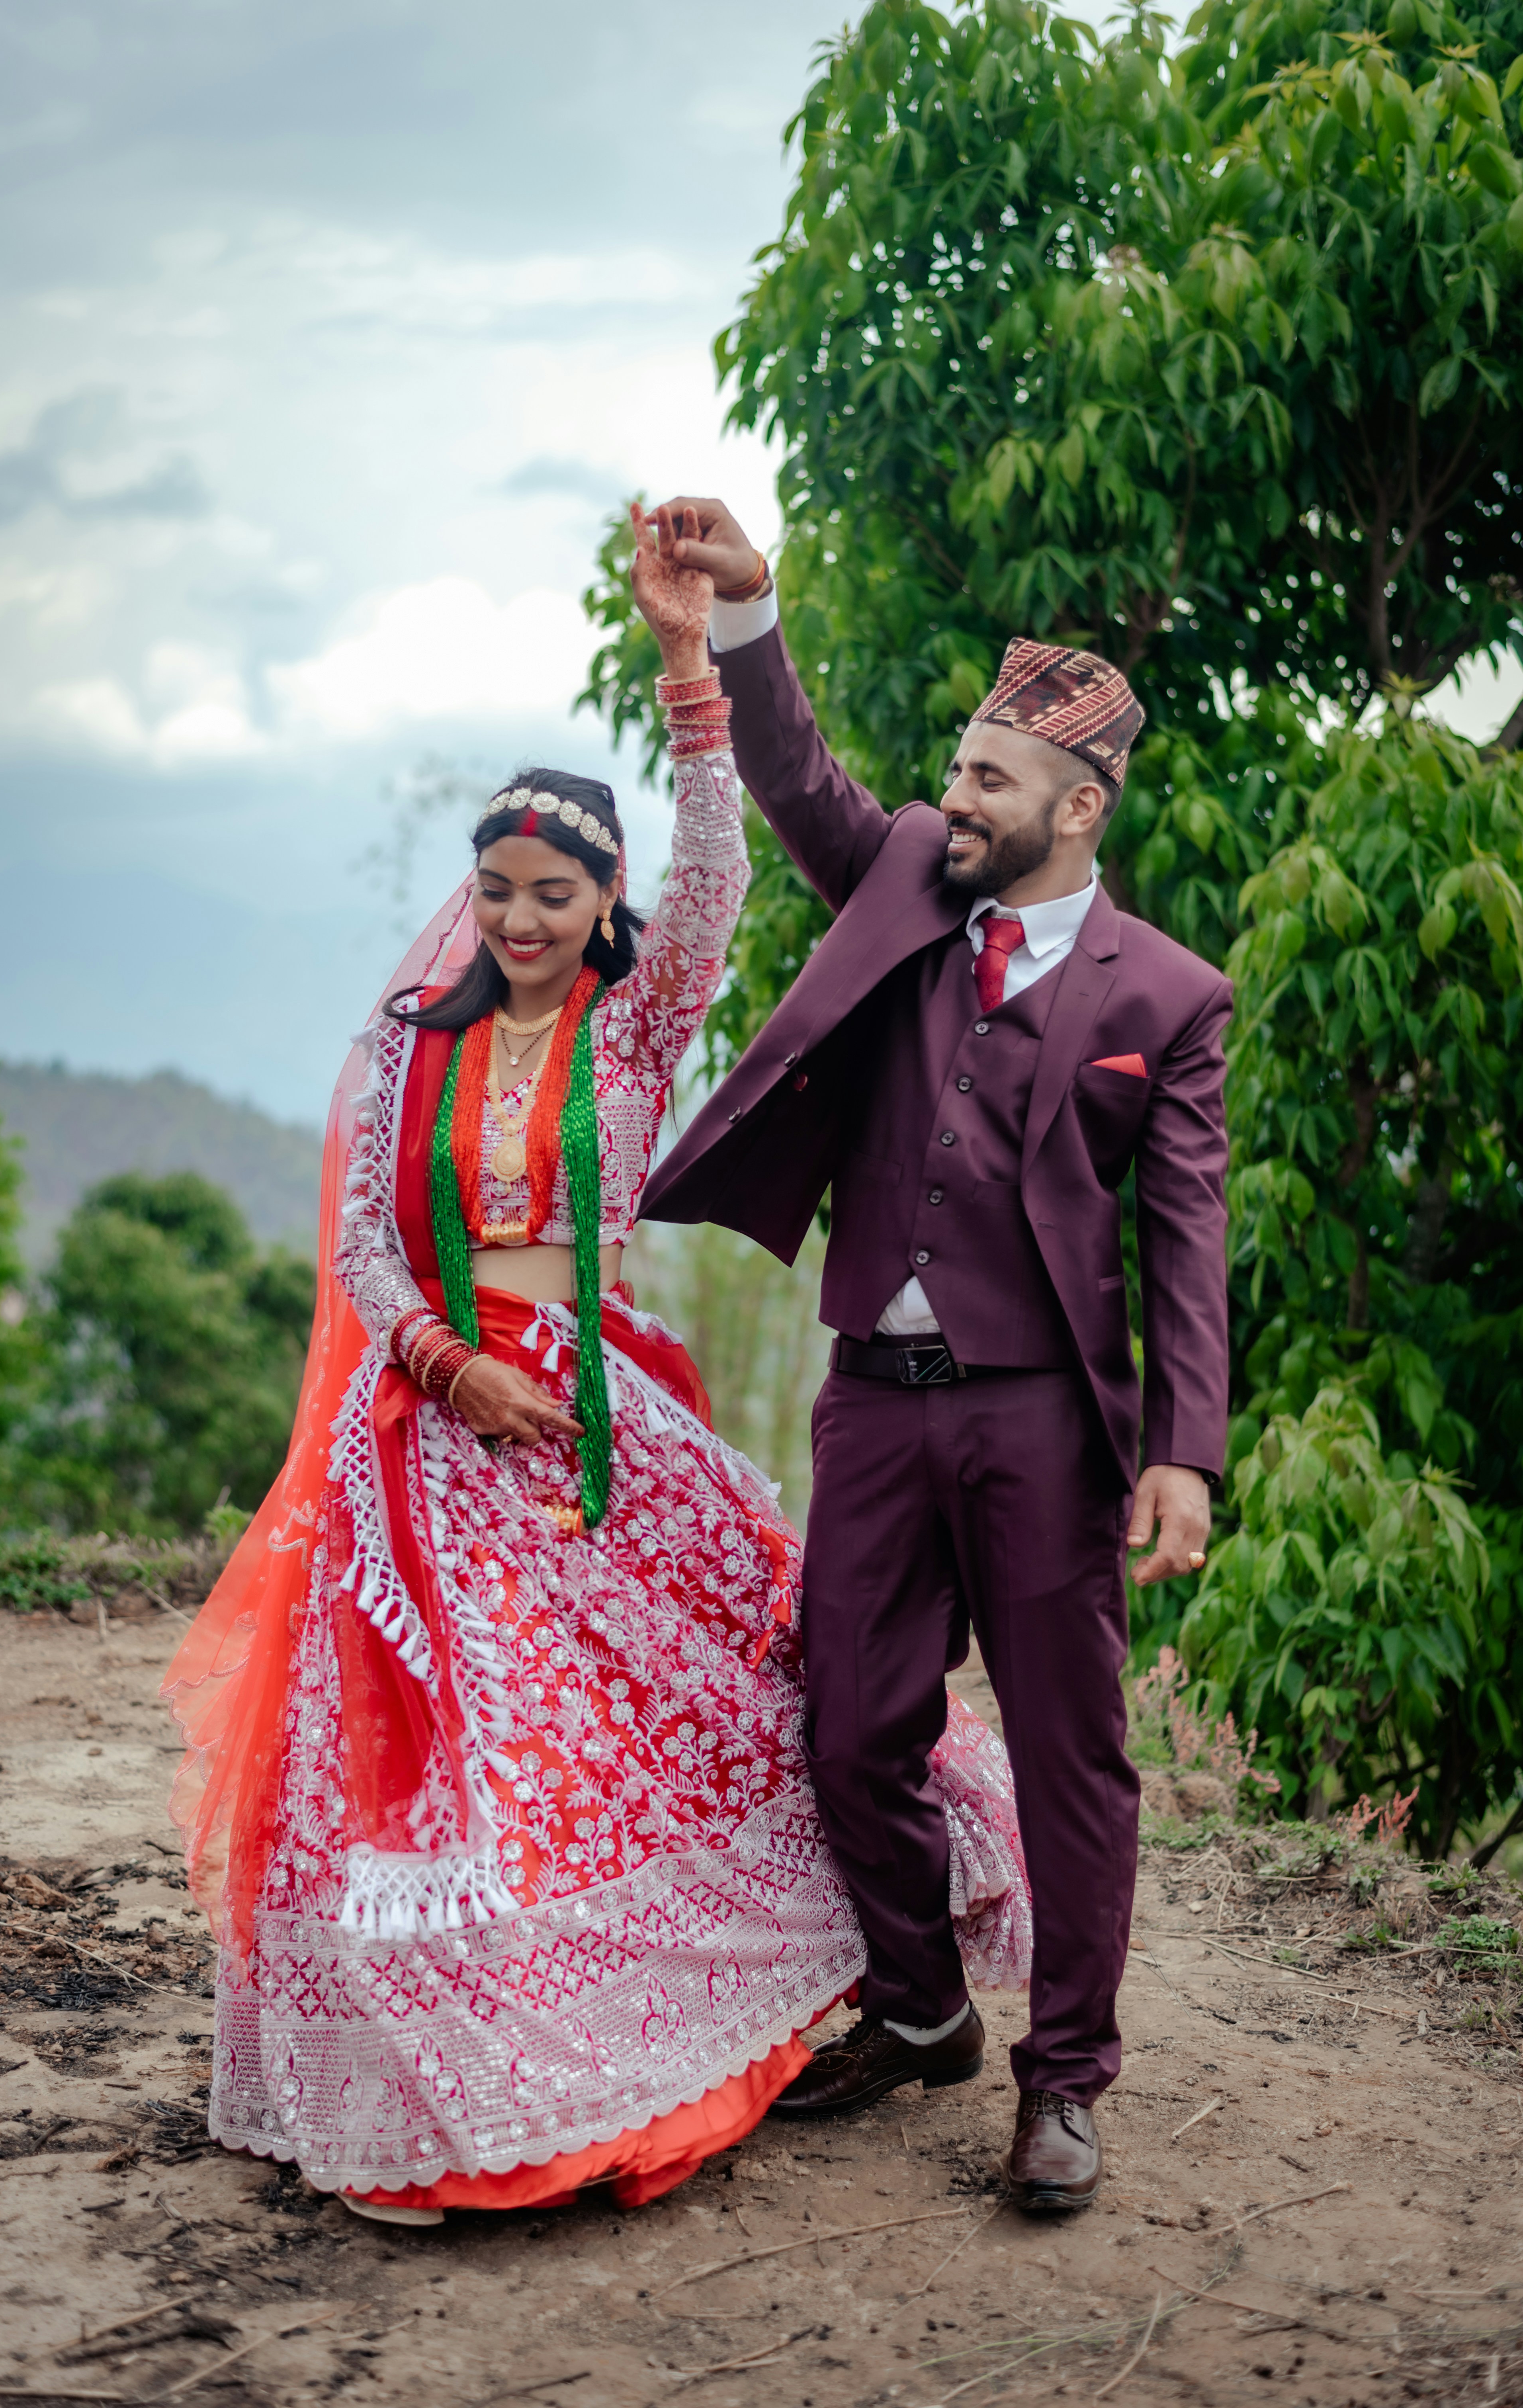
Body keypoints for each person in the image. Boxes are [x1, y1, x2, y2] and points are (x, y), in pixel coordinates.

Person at [159, 507, 1032, 2225]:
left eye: (553, 894)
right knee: (460, 1763)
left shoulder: (634, 1025)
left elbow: (717, 872)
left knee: (719, 1698)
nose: (520, 918)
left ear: (604, 904)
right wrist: (442, 1364)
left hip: (590, 1419)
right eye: (495, 891)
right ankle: (457, 2095)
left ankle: (685, 2033)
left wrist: (688, 660)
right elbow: (363, 1242)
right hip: (430, 1430)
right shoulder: (409, 1045)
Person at [638, 498, 1232, 2213]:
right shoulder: (904, 879)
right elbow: (800, 778)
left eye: (987, 780)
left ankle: (1067, 2082)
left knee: (1071, 1762)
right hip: (872, 1407)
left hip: (1045, 1422)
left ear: (1078, 804)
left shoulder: (1166, 997)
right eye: (957, 772)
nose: (955, 799)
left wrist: (1182, 1452)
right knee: (849, 1729)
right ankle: (917, 2010)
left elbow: (1184, 1235)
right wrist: (748, 614)